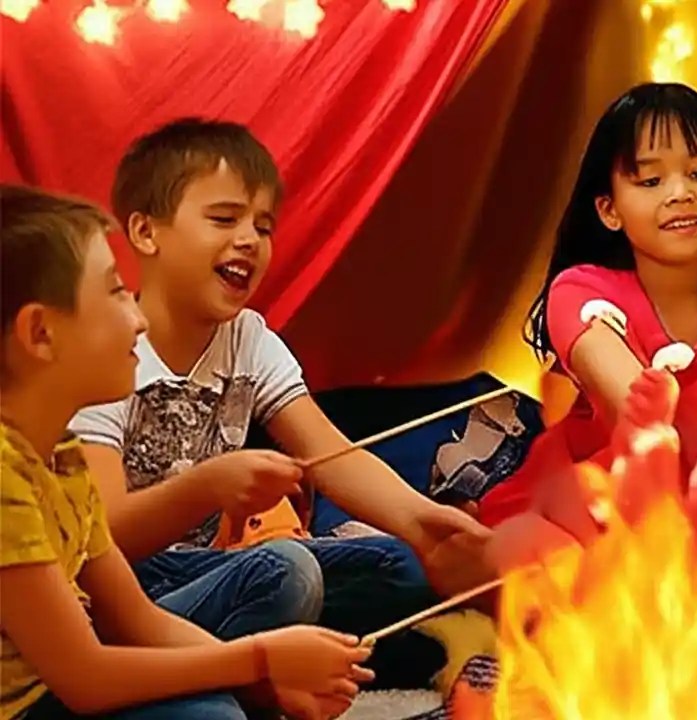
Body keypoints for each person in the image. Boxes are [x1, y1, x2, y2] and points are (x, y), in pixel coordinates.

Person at [67, 119, 490, 685]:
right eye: (224, 218)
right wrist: (209, 488)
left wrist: (429, 526)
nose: (249, 239)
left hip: (211, 574)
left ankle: (298, 658)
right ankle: (250, 670)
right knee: (287, 570)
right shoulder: (112, 350)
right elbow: (106, 532)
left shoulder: (249, 338)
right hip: (119, 586)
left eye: (263, 227)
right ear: (146, 232)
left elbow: (333, 456)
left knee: (405, 563)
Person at [0, 184, 372, 720]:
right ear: (40, 333)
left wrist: (264, 681)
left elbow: (139, 622)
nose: (138, 319)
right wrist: (261, 658)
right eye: (114, 293)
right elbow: (86, 678)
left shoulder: (60, 452)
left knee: (289, 583)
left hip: (71, 673)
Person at [476, 82, 697, 534]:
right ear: (609, 210)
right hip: (550, 529)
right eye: (651, 181)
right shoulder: (580, 291)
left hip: (682, 555)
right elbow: (637, 410)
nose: (680, 193)